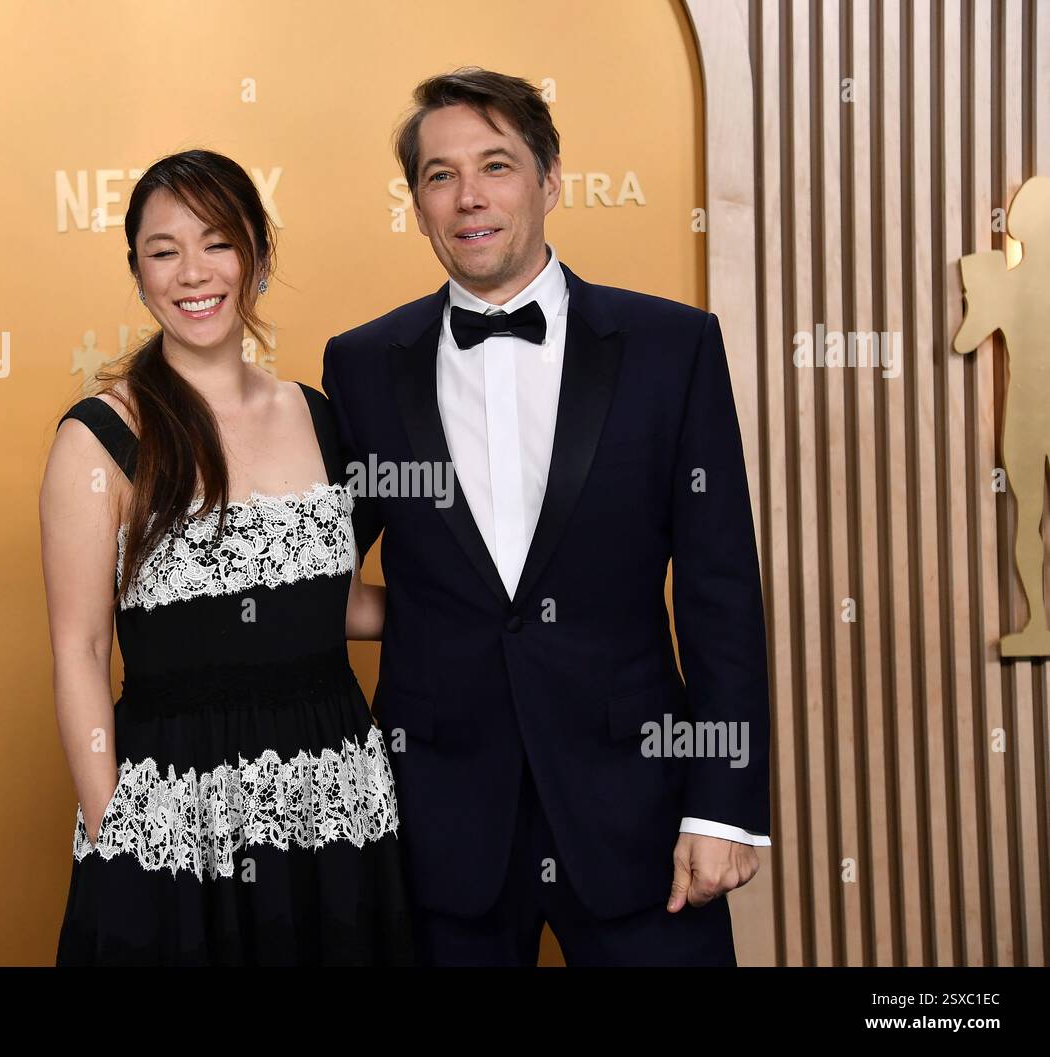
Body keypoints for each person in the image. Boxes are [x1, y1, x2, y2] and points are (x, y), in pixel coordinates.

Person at [321, 67, 771, 966]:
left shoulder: (671, 347)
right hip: (437, 818)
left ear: (551, 180)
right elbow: (317, 571)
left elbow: (721, 586)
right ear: (416, 205)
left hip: (638, 811)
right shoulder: (363, 364)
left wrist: (724, 802)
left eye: (497, 165)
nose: (469, 197)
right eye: (440, 175)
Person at [40, 149, 413, 965]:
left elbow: (334, 604)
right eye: (162, 250)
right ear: (137, 274)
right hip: (177, 816)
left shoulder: (316, 414)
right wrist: (115, 829)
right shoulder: (99, 438)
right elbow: (80, 649)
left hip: (335, 796)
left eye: (217, 242)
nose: (191, 272)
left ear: (257, 256)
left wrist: (489, 614)